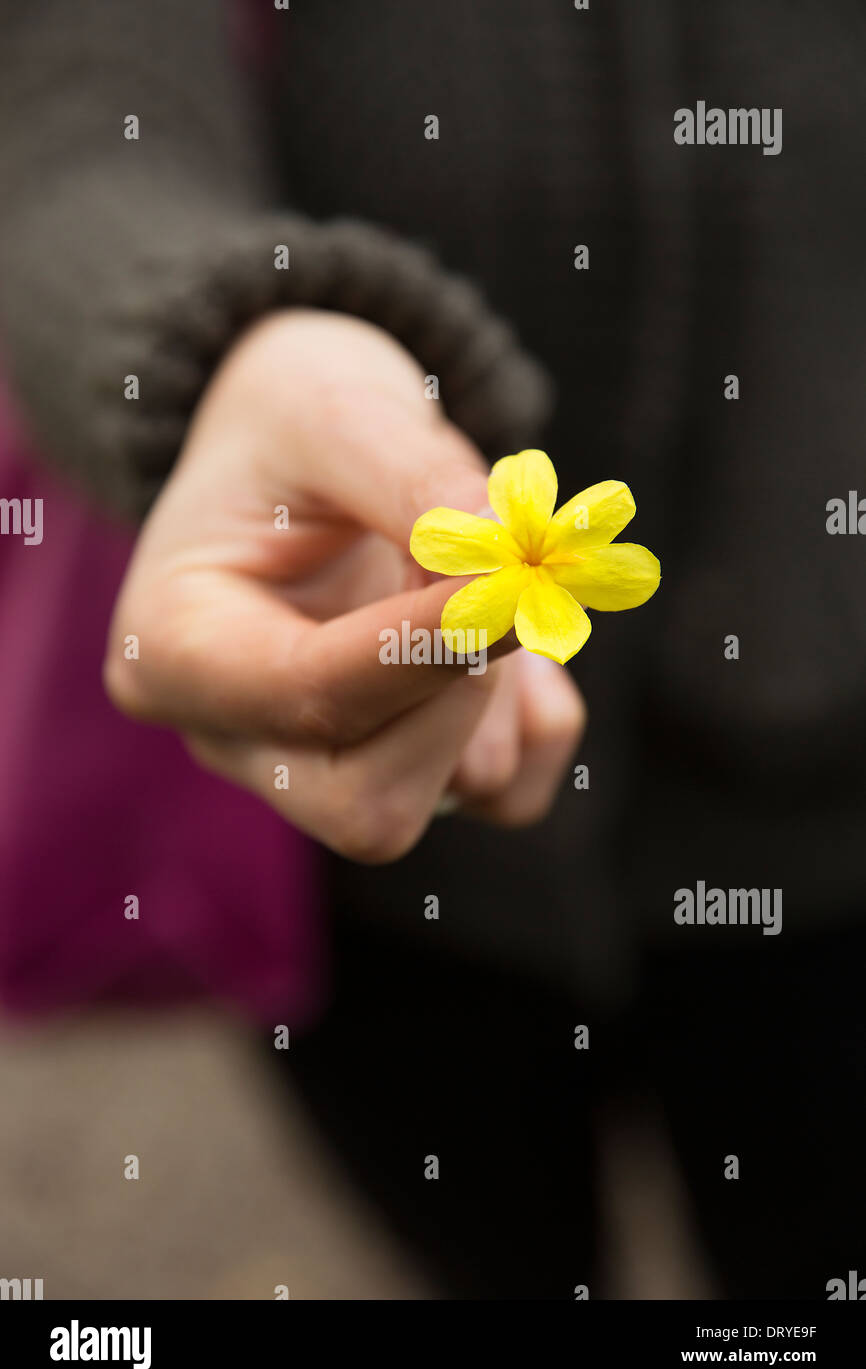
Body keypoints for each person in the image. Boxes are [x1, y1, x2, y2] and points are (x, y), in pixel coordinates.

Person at [1, 0, 864, 1298]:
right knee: (484, 1252)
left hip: (831, 837)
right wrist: (231, 342)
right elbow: (84, 117)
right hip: (396, 898)